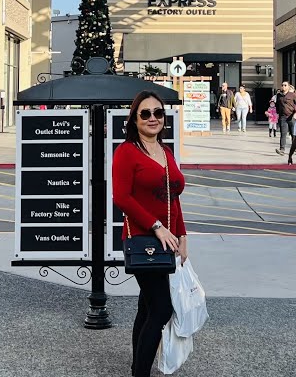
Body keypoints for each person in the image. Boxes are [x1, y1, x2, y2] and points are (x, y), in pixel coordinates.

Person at [112, 90, 188, 377]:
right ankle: (141, 372)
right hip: (143, 241)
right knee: (161, 308)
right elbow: (121, 197)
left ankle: (137, 366)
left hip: (167, 241)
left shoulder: (165, 151)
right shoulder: (127, 152)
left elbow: (174, 197)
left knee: (147, 307)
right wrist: (157, 227)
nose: (153, 118)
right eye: (145, 113)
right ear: (134, 119)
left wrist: (182, 236)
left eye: (158, 113)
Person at [275, 81, 296, 155]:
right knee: (283, 134)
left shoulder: (293, 95)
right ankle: (282, 150)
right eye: (282, 85)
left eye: (285, 85)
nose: (283, 86)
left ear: (288, 87)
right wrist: (277, 113)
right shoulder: (279, 95)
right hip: (283, 117)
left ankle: (295, 149)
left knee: (293, 133)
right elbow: (277, 105)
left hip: (291, 116)